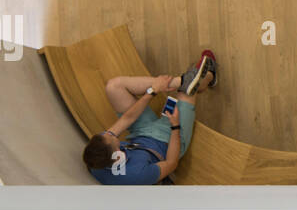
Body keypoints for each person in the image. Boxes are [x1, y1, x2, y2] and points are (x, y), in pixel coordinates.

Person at [82, 50, 218, 184]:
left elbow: (127, 119)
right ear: (116, 154)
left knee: (113, 87)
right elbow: (171, 163)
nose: (111, 133)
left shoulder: (96, 160)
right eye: (112, 137)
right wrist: (175, 127)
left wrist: (153, 90)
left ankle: (182, 81)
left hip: (139, 134)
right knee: (188, 93)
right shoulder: (138, 176)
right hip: (167, 140)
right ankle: (209, 75)